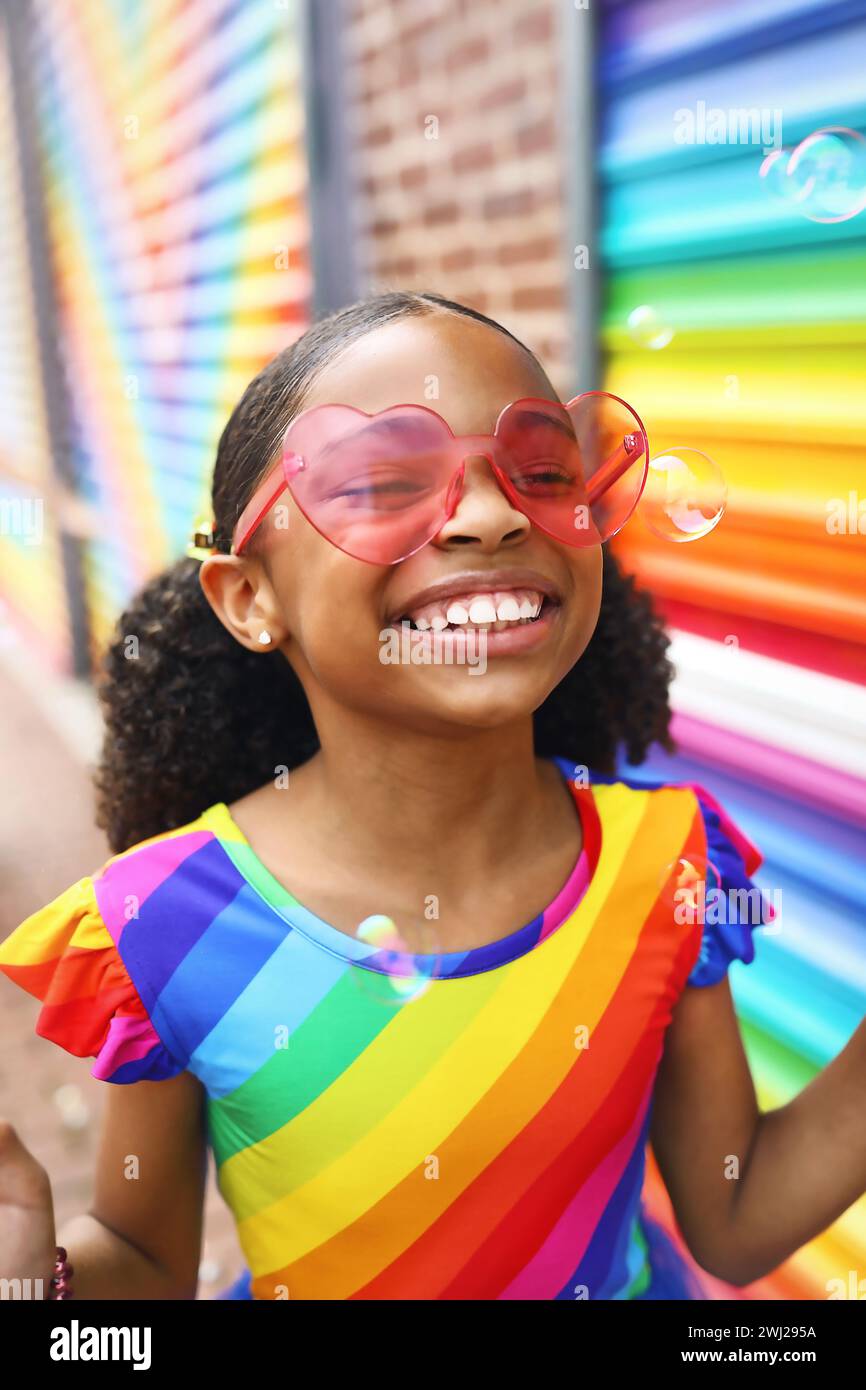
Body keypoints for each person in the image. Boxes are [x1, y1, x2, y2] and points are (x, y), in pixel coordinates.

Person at [1, 290, 864, 1301]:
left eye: (543, 473)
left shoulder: (665, 857)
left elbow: (732, 1214)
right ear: (250, 597)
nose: (495, 514)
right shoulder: (163, 921)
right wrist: (41, 1285)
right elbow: (145, 1262)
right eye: (380, 482)